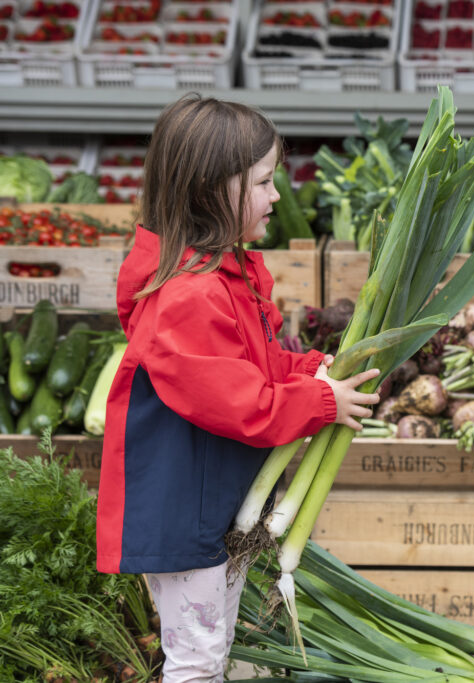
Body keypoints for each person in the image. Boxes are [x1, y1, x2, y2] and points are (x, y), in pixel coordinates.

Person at [95, 94, 380, 683]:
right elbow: (238, 404)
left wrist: (310, 371)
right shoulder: (188, 295)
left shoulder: (217, 274)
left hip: (209, 508)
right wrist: (322, 401)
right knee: (196, 662)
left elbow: (253, 363)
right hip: (184, 516)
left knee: (211, 654)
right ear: (210, 189)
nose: (277, 196)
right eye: (263, 182)